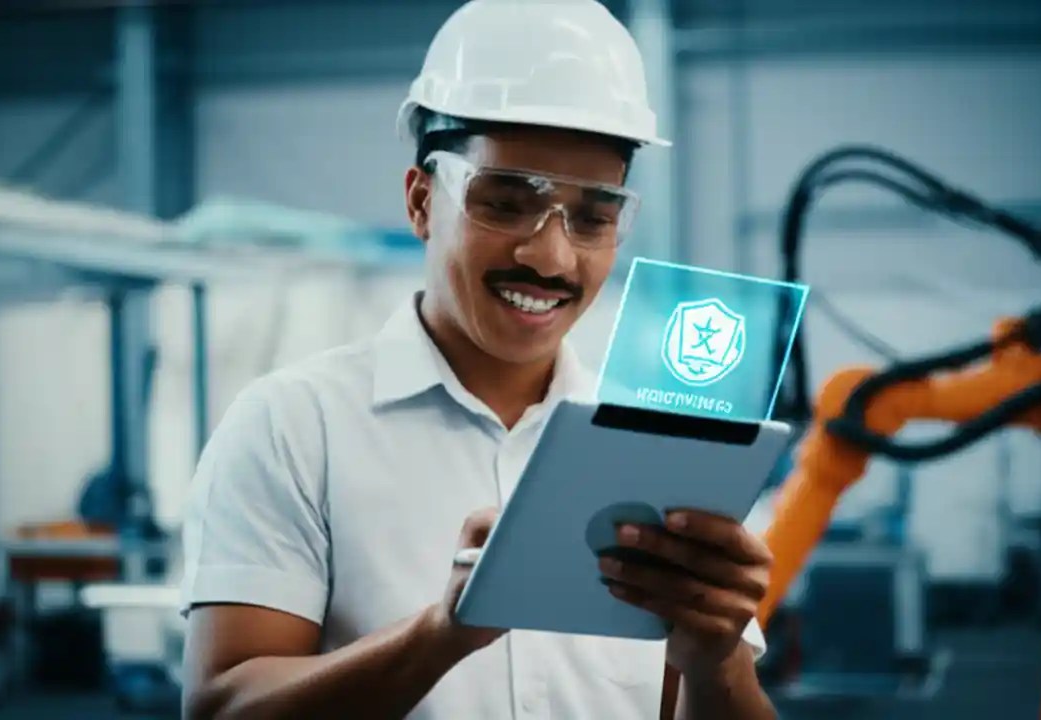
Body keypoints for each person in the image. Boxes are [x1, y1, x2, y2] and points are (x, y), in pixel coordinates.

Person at [178, 1, 776, 718]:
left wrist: (719, 667)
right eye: (505, 203)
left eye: (593, 216)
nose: (551, 257)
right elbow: (220, 708)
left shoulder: (661, 450)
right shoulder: (293, 429)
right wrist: (442, 634)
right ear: (423, 200)